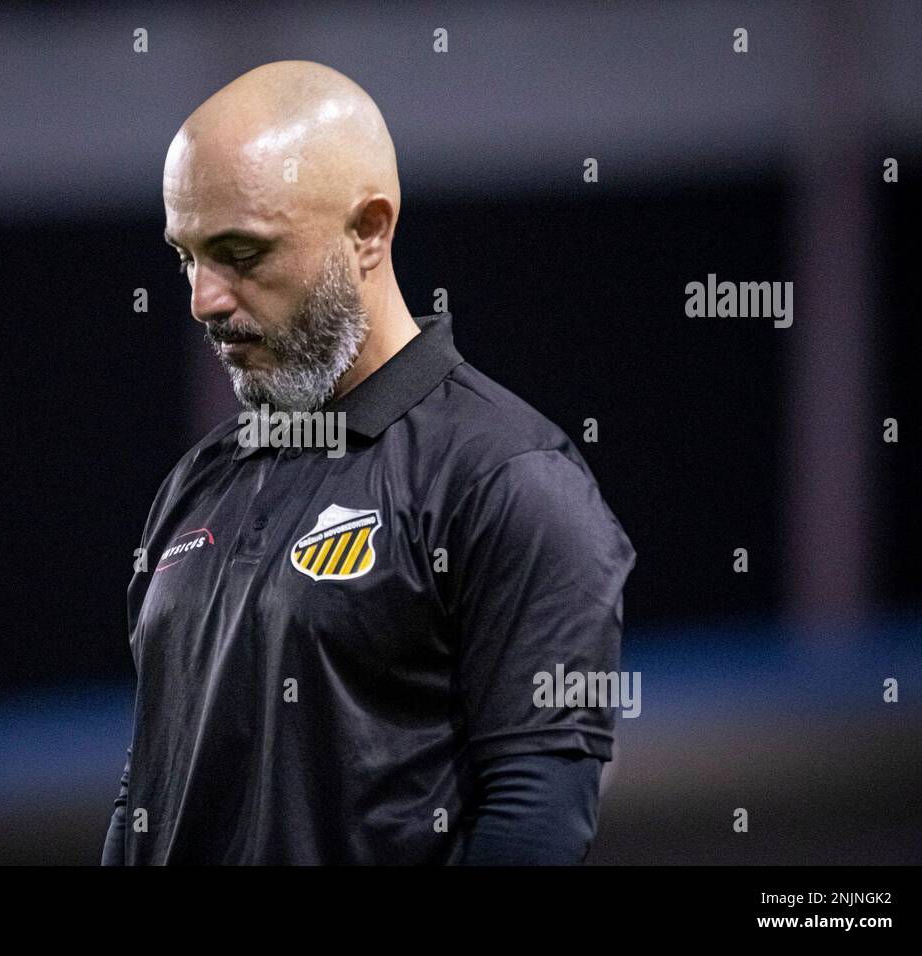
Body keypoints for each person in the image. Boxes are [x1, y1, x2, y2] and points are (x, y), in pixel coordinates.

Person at [101, 60, 636, 864]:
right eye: (187, 256)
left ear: (370, 232)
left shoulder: (508, 480)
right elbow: (146, 789)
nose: (203, 299)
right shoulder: (195, 485)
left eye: (241, 253)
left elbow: (536, 820)